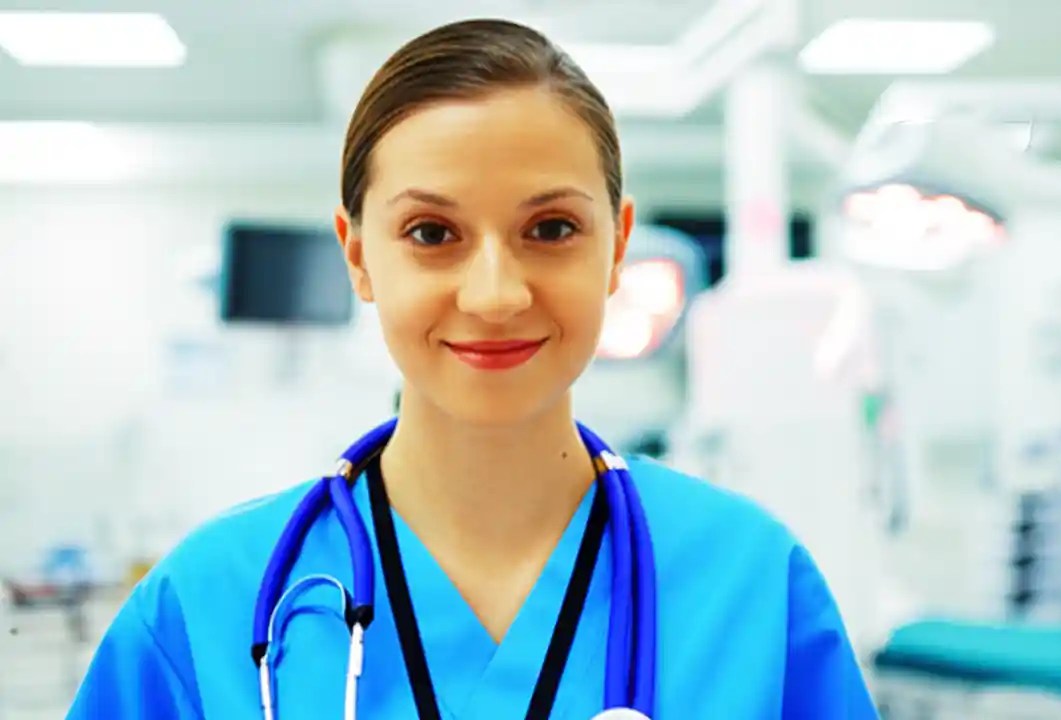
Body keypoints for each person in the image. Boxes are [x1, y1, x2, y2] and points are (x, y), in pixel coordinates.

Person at [68, 18, 880, 719]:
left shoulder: (751, 588)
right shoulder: (208, 603)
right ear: (358, 256)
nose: (495, 295)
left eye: (552, 228)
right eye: (431, 233)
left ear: (617, 246)